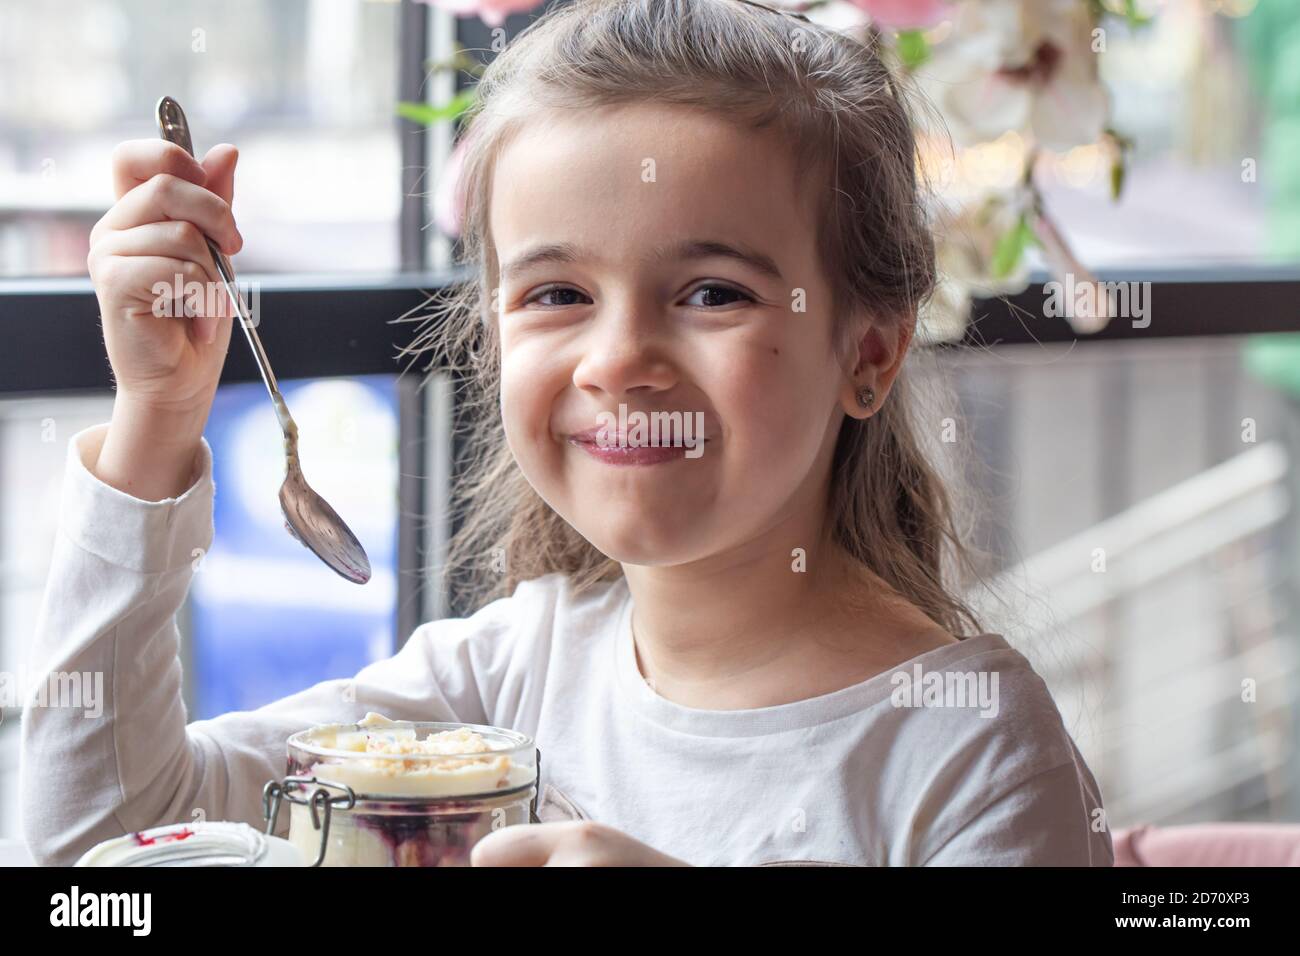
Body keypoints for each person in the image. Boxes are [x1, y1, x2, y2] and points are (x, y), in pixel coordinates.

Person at [21, 0, 1111, 867]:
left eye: (713, 292)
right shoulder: (506, 677)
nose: (614, 358)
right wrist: (159, 418)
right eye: (555, 294)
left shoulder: (968, 747)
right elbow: (109, 834)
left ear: (868, 353)